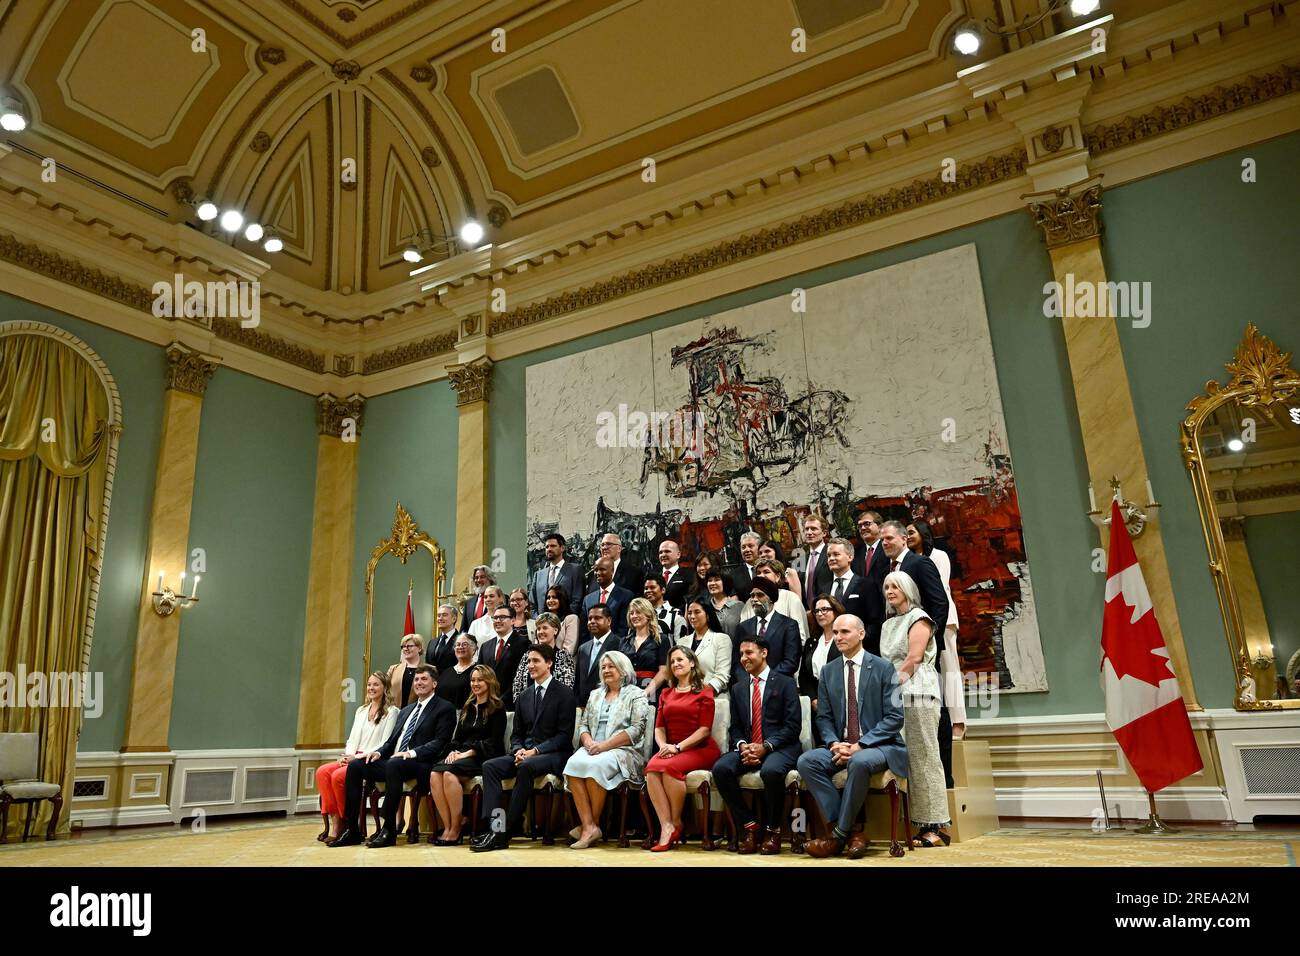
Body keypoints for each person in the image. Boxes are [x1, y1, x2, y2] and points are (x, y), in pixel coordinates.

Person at [797, 615, 907, 859]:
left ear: (861, 634)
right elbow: (823, 718)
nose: (838, 637)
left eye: (845, 632)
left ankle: (836, 837)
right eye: (835, 633)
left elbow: (894, 718)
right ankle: (851, 831)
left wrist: (861, 745)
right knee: (807, 761)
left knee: (859, 761)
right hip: (841, 744)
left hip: (880, 745)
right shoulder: (828, 672)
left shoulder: (884, 667)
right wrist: (835, 743)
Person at [330, 665, 456, 848]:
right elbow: (391, 741)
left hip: (421, 764)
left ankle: (389, 829)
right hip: (395, 762)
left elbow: (440, 743)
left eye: (424, 679)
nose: (419, 683)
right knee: (356, 766)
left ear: (434, 683)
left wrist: (411, 752)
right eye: (416, 679)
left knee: (394, 764)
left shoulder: (444, 708)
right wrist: (379, 752)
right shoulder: (407, 710)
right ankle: (352, 829)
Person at [472, 645, 577, 852]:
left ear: (549, 663)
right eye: (528, 661)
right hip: (525, 755)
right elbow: (516, 734)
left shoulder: (564, 694)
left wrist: (534, 752)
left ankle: (505, 833)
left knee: (527, 766)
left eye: (536, 661)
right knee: (490, 766)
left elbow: (564, 737)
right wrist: (519, 749)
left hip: (555, 755)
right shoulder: (525, 696)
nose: (530, 665)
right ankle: (496, 827)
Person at [879, 570, 952, 848]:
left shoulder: (919, 618)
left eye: (895, 586)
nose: (890, 591)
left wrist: (890, 685)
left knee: (925, 757)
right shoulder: (888, 625)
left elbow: (914, 657)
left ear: (908, 589)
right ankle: (918, 824)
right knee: (907, 759)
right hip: (896, 696)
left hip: (918, 692)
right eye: (886, 587)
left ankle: (938, 826)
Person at [711, 636, 801, 854]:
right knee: (721, 769)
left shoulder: (785, 682)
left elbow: (792, 726)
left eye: (749, 653)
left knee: (770, 771)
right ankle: (750, 826)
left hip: (781, 747)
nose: (744, 658)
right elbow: (735, 727)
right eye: (741, 654)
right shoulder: (739, 687)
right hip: (750, 747)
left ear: (764, 653)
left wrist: (766, 747)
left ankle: (774, 832)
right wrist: (743, 746)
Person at [880, 519, 951, 780]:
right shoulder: (885, 569)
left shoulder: (919, 563)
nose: (885, 543)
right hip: (897, 659)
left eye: (889, 538)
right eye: (882, 540)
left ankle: (946, 778)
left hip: (922, 659)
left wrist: (928, 641)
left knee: (936, 718)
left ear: (903, 539)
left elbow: (939, 603)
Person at [563, 650, 652, 849]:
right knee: (572, 764)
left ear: (623, 669)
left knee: (596, 767)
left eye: (611, 666)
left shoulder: (636, 694)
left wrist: (603, 746)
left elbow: (637, 730)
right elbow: (584, 725)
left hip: (624, 749)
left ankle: (588, 827)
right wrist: (588, 743)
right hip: (593, 747)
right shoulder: (595, 694)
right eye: (603, 667)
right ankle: (590, 826)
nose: (606, 670)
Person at [643, 646, 721, 852]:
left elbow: (704, 731)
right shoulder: (666, 693)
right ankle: (666, 825)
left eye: (680, 660)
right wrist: (663, 746)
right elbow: (659, 727)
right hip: (670, 747)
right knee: (651, 768)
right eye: (672, 661)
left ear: (692, 663)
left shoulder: (705, 691)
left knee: (669, 769)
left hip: (699, 748)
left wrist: (677, 748)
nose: (676, 664)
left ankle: (676, 821)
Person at [427, 665, 507, 846]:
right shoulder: (467, 707)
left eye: (480, 680)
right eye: (473, 680)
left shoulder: (497, 707)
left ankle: (456, 828)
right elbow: (457, 738)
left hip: (485, 756)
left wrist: (466, 753)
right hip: (463, 755)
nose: (475, 684)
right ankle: (447, 827)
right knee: (434, 774)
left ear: (489, 681)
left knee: (448, 774)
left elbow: (494, 742)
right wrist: (454, 751)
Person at [316, 671, 397, 843]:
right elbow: (352, 738)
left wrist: (358, 759)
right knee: (322, 772)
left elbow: (385, 743)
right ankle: (337, 820)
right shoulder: (361, 710)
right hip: (353, 756)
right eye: (369, 684)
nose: (371, 688)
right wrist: (348, 755)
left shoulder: (392, 712)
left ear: (385, 688)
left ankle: (348, 823)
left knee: (338, 776)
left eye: (376, 684)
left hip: (370, 759)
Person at [907, 519, 967, 741]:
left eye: (912, 532)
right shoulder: (911, 561)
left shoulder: (938, 556)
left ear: (923, 533)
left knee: (950, 670)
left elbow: (938, 591)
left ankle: (958, 722)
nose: (909, 536)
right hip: (920, 621)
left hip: (943, 619)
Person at [733, 577, 800, 682]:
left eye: (760, 595)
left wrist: (765, 679)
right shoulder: (743, 627)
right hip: (749, 686)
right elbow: (736, 663)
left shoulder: (788, 625)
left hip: (778, 686)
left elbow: (791, 662)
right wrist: (748, 680)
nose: (754, 599)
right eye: (752, 596)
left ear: (771, 599)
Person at [799, 594, 846, 722]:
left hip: (841, 700)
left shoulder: (845, 640)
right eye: (816, 611)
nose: (820, 614)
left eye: (825, 609)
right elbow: (803, 676)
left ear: (835, 611)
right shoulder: (811, 642)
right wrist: (813, 699)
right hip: (817, 703)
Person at [741, 559, 810, 645]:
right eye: (758, 573)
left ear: (777, 576)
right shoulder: (750, 602)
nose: (761, 576)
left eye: (766, 572)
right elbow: (742, 633)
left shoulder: (791, 598)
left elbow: (801, 636)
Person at [512, 612, 576, 700]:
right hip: (528, 707)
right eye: (538, 629)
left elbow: (567, 685)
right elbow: (518, 684)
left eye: (545, 628)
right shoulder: (527, 655)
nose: (540, 632)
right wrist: (520, 705)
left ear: (555, 630)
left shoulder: (564, 656)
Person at [479, 606, 530, 709]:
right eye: (495, 617)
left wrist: (502, 700)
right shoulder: (485, 646)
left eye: (502, 617)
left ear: (513, 620)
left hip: (511, 704)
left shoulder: (524, 644)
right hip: (487, 703)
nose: (498, 621)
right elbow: (480, 674)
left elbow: (522, 677)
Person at [620, 597, 671, 699]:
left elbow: (664, 671)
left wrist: (645, 693)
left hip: (652, 691)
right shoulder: (624, 641)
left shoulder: (661, 639)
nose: (634, 616)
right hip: (626, 691)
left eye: (638, 612)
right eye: (631, 613)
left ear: (648, 615)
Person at [680, 598, 732, 697]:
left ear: (708, 615)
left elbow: (722, 675)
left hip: (713, 699)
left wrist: (702, 693)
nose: (692, 616)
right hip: (685, 700)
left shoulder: (721, 639)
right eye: (690, 613)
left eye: (697, 612)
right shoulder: (682, 642)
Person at [530, 532, 585, 616]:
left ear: (562, 548)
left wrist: (561, 621)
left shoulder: (575, 570)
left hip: (566, 624)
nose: (549, 549)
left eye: (553, 546)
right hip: (542, 626)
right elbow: (532, 604)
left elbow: (577, 600)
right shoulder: (538, 575)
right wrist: (539, 620)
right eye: (547, 547)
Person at [582, 558, 634, 641]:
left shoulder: (626, 596)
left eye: (602, 569)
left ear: (612, 571)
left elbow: (623, 628)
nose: (598, 573)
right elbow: (584, 631)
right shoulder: (588, 599)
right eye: (596, 570)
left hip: (614, 648)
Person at [576, 603, 618, 704]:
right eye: (590, 618)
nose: (592, 622)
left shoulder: (619, 644)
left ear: (609, 621)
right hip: (583, 706)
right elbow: (578, 682)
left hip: (608, 704)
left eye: (597, 618)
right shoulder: (583, 648)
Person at [824, 537, 872, 625]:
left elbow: (874, 621)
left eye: (836, 554)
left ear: (850, 557)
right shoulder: (824, 589)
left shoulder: (866, 585)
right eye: (829, 555)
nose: (831, 558)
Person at [799, 513, 833, 609]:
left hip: (828, 609)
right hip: (807, 612)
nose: (809, 532)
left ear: (824, 533)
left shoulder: (832, 555)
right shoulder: (800, 560)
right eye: (806, 529)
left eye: (813, 529)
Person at [435, 634, 478, 709]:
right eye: (457, 645)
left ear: (474, 649)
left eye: (465, 644)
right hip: (443, 715)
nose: (460, 647)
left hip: (465, 715)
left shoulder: (478, 671)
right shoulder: (446, 672)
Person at [386, 633, 425, 708]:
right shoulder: (393, 669)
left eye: (409, 646)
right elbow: (385, 690)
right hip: (394, 713)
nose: (406, 649)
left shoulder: (429, 670)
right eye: (403, 646)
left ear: (419, 648)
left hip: (417, 714)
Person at [643, 575, 686, 641]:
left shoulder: (675, 614)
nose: (648, 591)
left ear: (663, 590)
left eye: (652, 587)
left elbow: (680, 644)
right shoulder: (640, 613)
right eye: (646, 588)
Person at [704, 568, 743, 638]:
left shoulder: (739, 606)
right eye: (709, 580)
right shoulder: (704, 607)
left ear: (725, 582)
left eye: (717, 580)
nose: (712, 583)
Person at [425, 604, 463, 673]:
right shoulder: (432, 642)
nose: (440, 618)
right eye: (438, 615)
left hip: (452, 681)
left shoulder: (462, 641)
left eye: (444, 615)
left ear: (454, 619)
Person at [544, 585, 580, 654]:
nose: (550, 600)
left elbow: (569, 650)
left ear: (562, 599)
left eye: (554, 597)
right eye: (548, 598)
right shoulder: (543, 620)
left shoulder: (571, 619)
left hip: (563, 662)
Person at [656, 539, 691, 611]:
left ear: (678, 554)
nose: (663, 555)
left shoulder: (688, 575)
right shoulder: (653, 576)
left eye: (667, 551)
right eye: (660, 552)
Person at [461, 565, 497, 632]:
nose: (478, 580)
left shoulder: (500, 599)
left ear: (490, 579)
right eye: (476, 578)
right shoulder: (469, 603)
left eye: (482, 577)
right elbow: (464, 629)